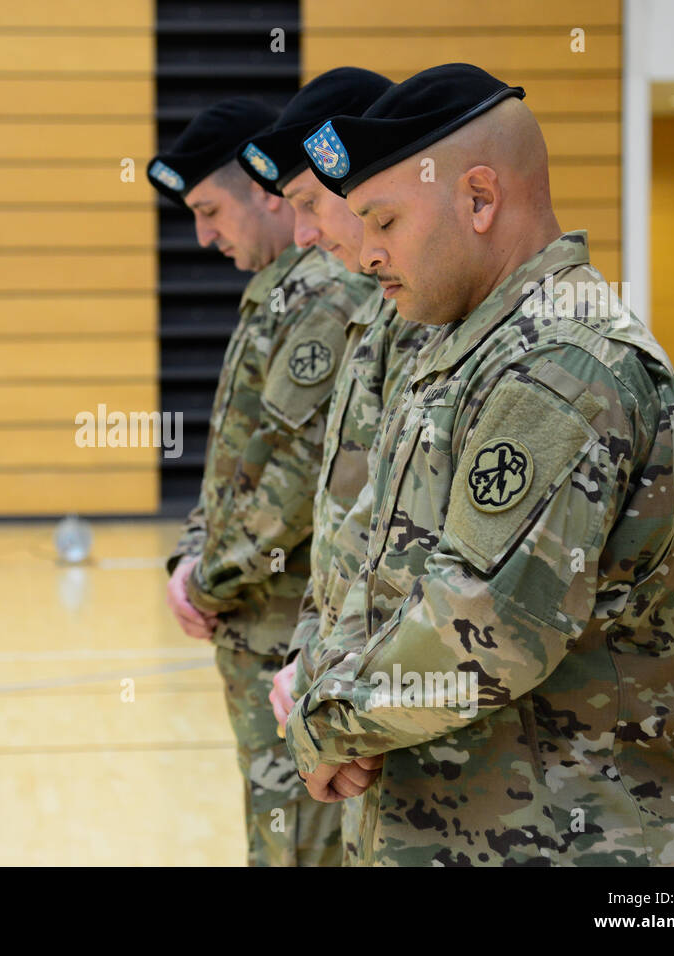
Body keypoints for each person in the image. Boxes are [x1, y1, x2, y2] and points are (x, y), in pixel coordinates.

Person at [283, 63, 674, 866]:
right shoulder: (461, 345)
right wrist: (324, 681)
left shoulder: (561, 363)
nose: (366, 254)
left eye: (385, 222)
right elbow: (373, 552)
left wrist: (324, 720)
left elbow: (484, 628)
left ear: (479, 198)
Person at [151, 97, 376, 865]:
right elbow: (238, 455)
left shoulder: (323, 291)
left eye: (212, 210)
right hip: (262, 624)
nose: (204, 235)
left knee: (298, 841)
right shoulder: (281, 288)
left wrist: (205, 580)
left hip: (286, 625)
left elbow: (294, 476)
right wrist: (189, 554)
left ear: (265, 190)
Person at [238, 68, 434, 865]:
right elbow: (357, 516)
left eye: (314, 204)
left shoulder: (440, 321)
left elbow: (446, 571)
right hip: (355, 693)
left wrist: (331, 700)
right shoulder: (391, 312)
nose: (307, 235)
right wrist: (317, 662)